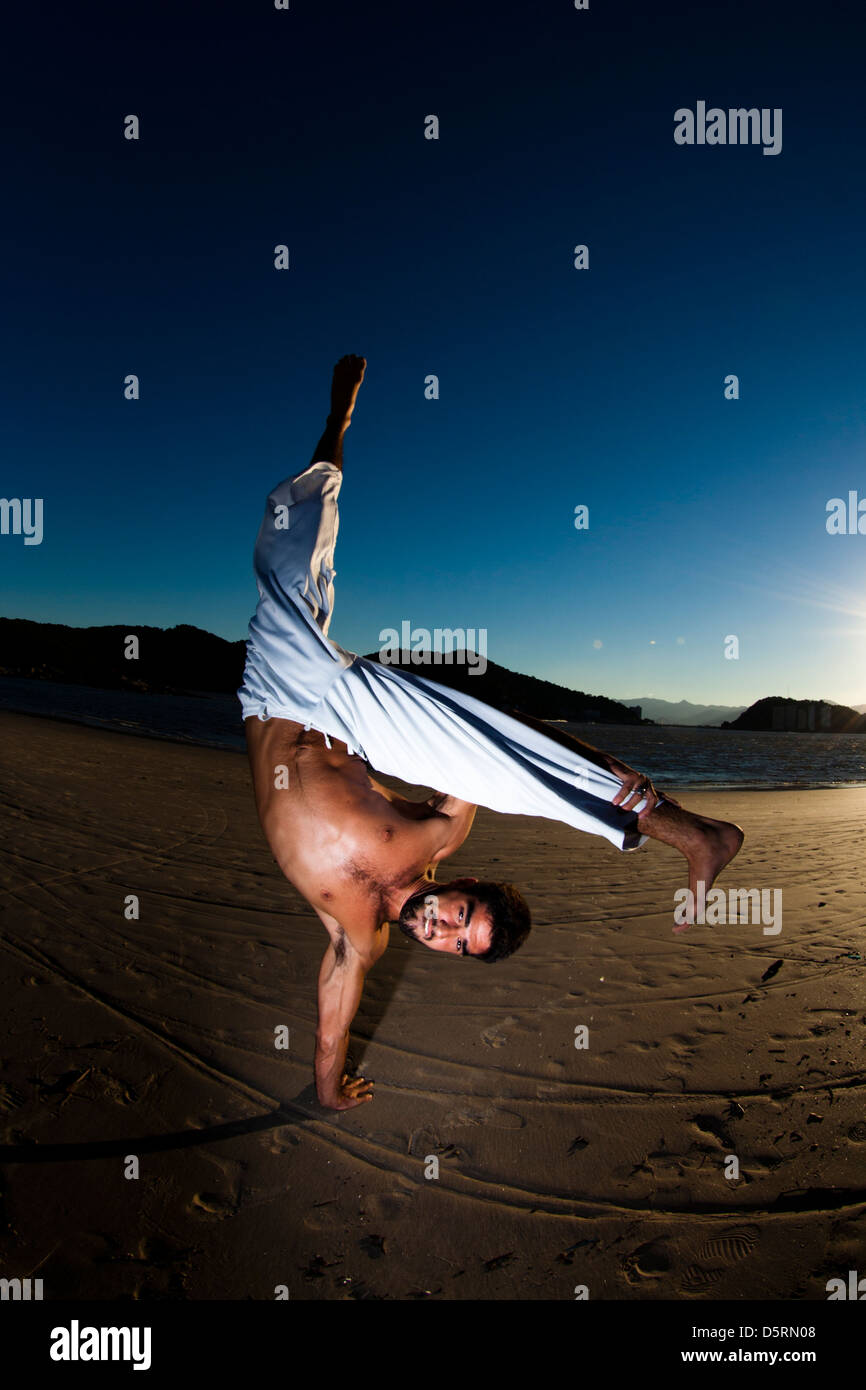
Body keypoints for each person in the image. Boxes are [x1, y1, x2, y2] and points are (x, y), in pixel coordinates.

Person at [239, 355, 743, 1110]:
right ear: (464, 886)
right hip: (351, 709)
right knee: (495, 757)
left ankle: (661, 823)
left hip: (275, 695)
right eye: (460, 918)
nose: (438, 930)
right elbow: (493, 746)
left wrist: (328, 1087)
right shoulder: (436, 839)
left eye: (451, 944)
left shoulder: (358, 936)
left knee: (284, 568)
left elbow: (333, 1008)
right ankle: (339, 419)